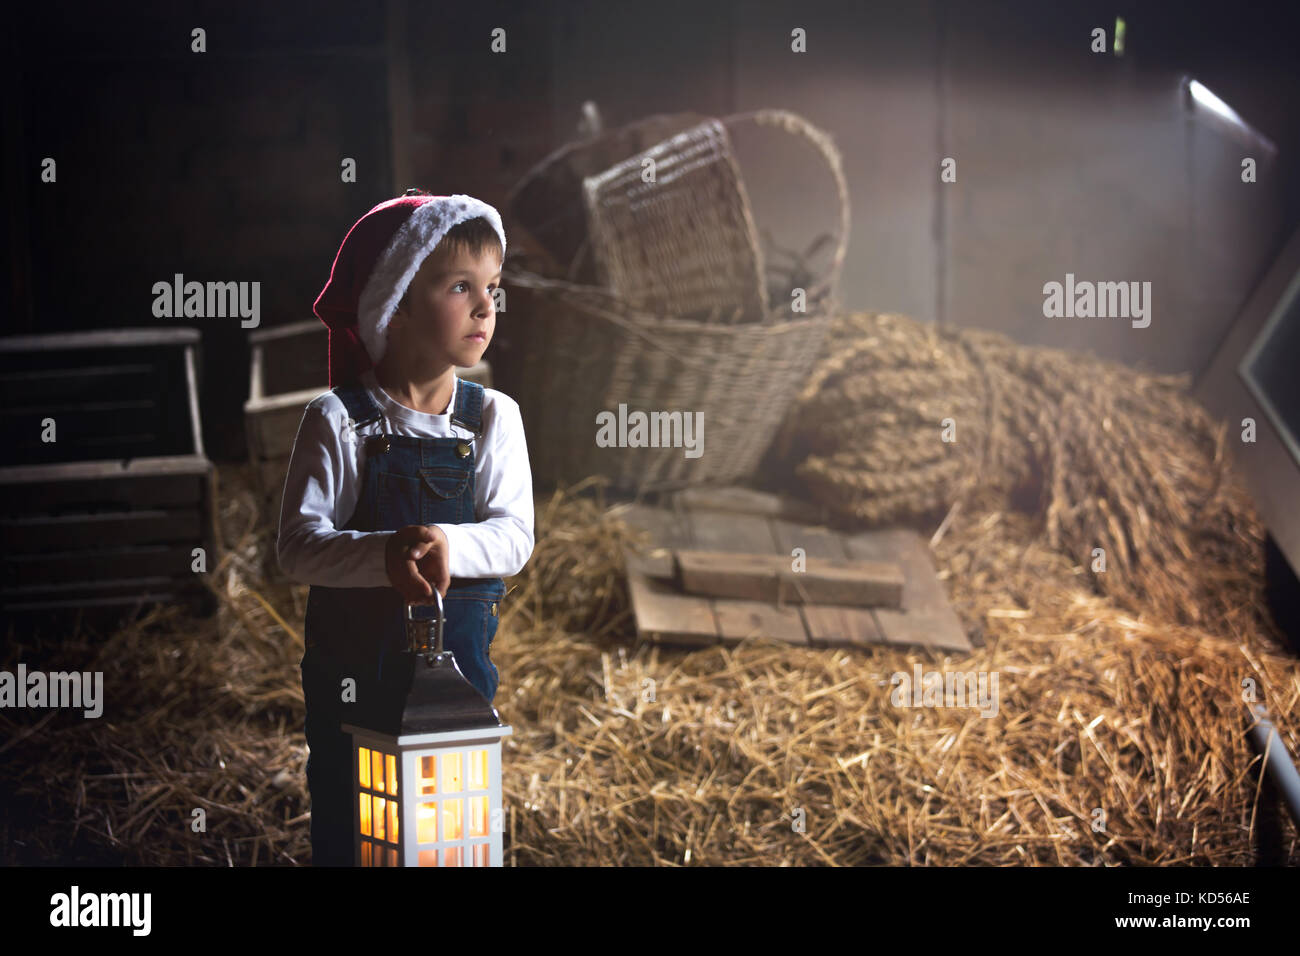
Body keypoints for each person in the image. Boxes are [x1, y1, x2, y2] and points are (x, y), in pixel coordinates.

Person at [277, 191, 535, 866]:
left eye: (493, 288)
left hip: (457, 668)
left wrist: (449, 542)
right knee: (352, 807)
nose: (486, 307)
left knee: (450, 814)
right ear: (396, 301)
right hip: (352, 669)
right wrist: (382, 556)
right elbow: (299, 547)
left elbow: (514, 535)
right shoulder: (338, 421)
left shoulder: (491, 418)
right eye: (460, 286)